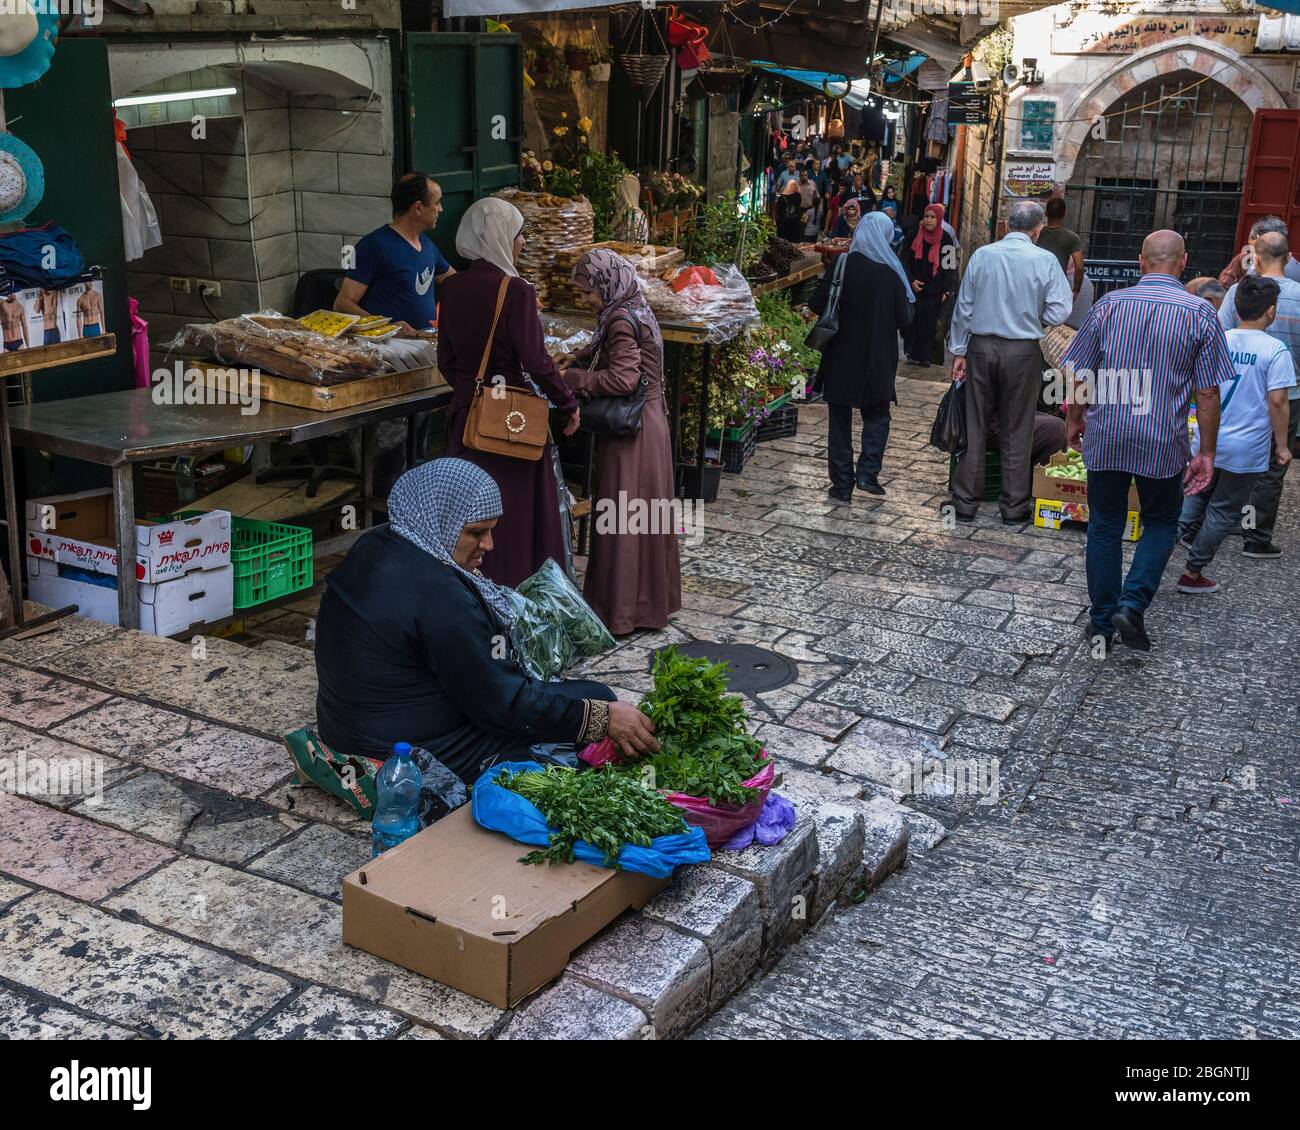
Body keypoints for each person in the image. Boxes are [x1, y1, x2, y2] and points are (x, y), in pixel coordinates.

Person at [314, 459, 659, 783]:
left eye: (491, 531)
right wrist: (601, 718)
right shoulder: (440, 595)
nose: (489, 545)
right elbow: (502, 704)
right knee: (594, 699)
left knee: (576, 701)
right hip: (400, 753)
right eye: (476, 532)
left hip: (343, 729)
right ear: (442, 522)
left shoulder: (378, 543)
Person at [1062, 230, 1229, 653]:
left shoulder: (1108, 306)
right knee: (1159, 521)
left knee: (1104, 524)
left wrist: (1075, 421)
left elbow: (1082, 373)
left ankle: (1101, 622)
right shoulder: (1200, 314)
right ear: (1183, 262)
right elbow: (1208, 391)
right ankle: (1132, 605)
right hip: (1162, 439)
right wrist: (1207, 453)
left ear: (1140, 262)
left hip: (1108, 432)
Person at [437, 197, 580, 587]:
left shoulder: (450, 290)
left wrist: (473, 392)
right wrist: (567, 403)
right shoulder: (515, 291)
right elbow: (537, 361)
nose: (521, 244)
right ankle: (517, 595)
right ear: (500, 236)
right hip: (512, 426)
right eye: (518, 235)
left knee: (468, 514)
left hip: (466, 419)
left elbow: (446, 363)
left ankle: (472, 592)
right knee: (513, 518)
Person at [558, 249, 682, 634]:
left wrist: (573, 380)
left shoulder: (620, 320)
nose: (587, 300)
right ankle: (646, 605)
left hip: (633, 431)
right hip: (652, 423)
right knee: (643, 516)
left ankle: (623, 610)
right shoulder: (636, 306)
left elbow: (623, 379)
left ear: (606, 284)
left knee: (623, 516)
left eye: (589, 292)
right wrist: (581, 354)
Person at [947, 200, 1073, 522]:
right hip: (1022, 350)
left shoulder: (983, 255)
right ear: (1038, 230)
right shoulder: (1045, 260)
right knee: (1018, 427)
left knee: (976, 423)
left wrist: (959, 351)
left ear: (1006, 226)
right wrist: (1034, 317)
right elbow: (1061, 310)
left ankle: (963, 504)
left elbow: (964, 307)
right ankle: (1014, 507)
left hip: (981, 347)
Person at [1177, 276, 1295, 594]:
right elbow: (1278, 401)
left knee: (1193, 496)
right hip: (1247, 449)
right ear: (1271, 311)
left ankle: (1162, 550)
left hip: (1208, 439)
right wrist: (1283, 446)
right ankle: (1192, 572)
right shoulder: (1276, 350)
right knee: (1224, 509)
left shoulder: (1220, 338)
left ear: (1237, 307)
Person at [808, 211, 914, 502]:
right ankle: (868, 474)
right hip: (878, 358)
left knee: (839, 419)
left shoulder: (842, 264)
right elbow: (905, 319)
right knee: (878, 415)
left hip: (842, 354)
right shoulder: (891, 274)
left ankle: (842, 485)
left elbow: (816, 303)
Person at [1217, 231, 1300, 559]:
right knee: (1272, 465)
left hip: (1239, 388)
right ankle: (1256, 536)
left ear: (1258, 257)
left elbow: (1220, 335)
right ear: (1289, 256)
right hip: (1289, 392)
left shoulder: (1239, 291)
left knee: (1231, 453)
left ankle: (1220, 521)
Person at [336, 172, 455, 331]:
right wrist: (387, 327)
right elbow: (342, 303)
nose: (440, 209)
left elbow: (455, 282)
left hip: (424, 343)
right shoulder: (374, 245)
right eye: (437, 203)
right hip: (391, 349)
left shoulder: (426, 244)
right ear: (418, 207)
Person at [901, 203, 956, 367]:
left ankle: (925, 357)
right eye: (926, 216)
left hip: (935, 291)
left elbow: (950, 267)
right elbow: (904, 260)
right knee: (913, 322)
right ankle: (911, 353)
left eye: (933, 217)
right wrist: (911, 281)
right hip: (915, 289)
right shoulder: (913, 235)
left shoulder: (946, 239)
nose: (929, 220)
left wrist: (946, 290)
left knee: (928, 325)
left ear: (939, 219)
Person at [1218, 215, 1300, 287]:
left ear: (1258, 239)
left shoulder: (1251, 262)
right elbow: (1225, 280)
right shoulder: (1297, 269)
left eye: (1250, 245)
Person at [1035, 196, 1085, 301]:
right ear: (1064, 214)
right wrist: (1075, 290)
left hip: (1035, 284)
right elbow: (1079, 267)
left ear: (1046, 213)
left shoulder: (1035, 234)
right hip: (1057, 288)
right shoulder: (1072, 237)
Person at [611, 173, 650, 245]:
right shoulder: (625, 212)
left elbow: (629, 246)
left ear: (625, 194)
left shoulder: (632, 215)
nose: (614, 197)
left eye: (617, 193)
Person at [796, 168, 821, 239]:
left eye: (805, 175)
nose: (804, 177)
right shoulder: (796, 184)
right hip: (800, 210)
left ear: (807, 175)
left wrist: (818, 208)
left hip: (811, 209)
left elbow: (817, 196)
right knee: (800, 229)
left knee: (811, 229)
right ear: (799, 176)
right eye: (802, 175)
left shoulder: (812, 183)